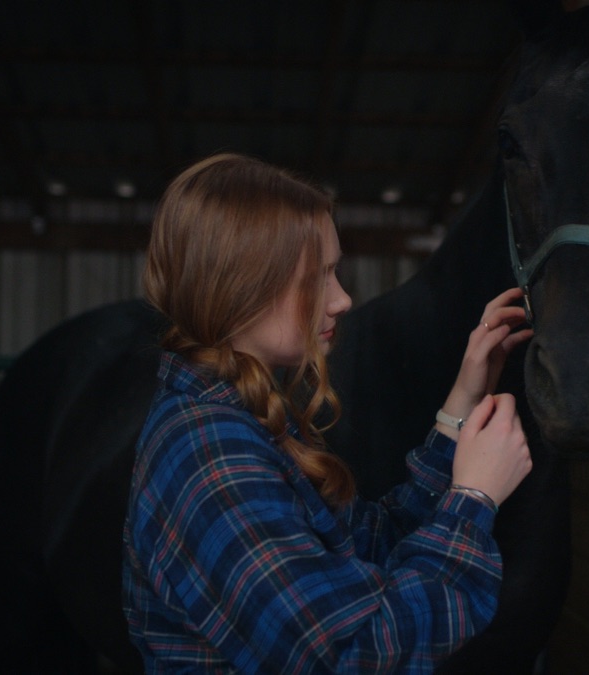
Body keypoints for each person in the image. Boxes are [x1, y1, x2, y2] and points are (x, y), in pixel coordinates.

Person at [122, 152, 535, 673]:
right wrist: (474, 499)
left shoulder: (240, 417)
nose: (342, 300)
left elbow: (369, 550)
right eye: (316, 280)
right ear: (243, 288)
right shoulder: (209, 456)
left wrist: (460, 406)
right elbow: (353, 653)